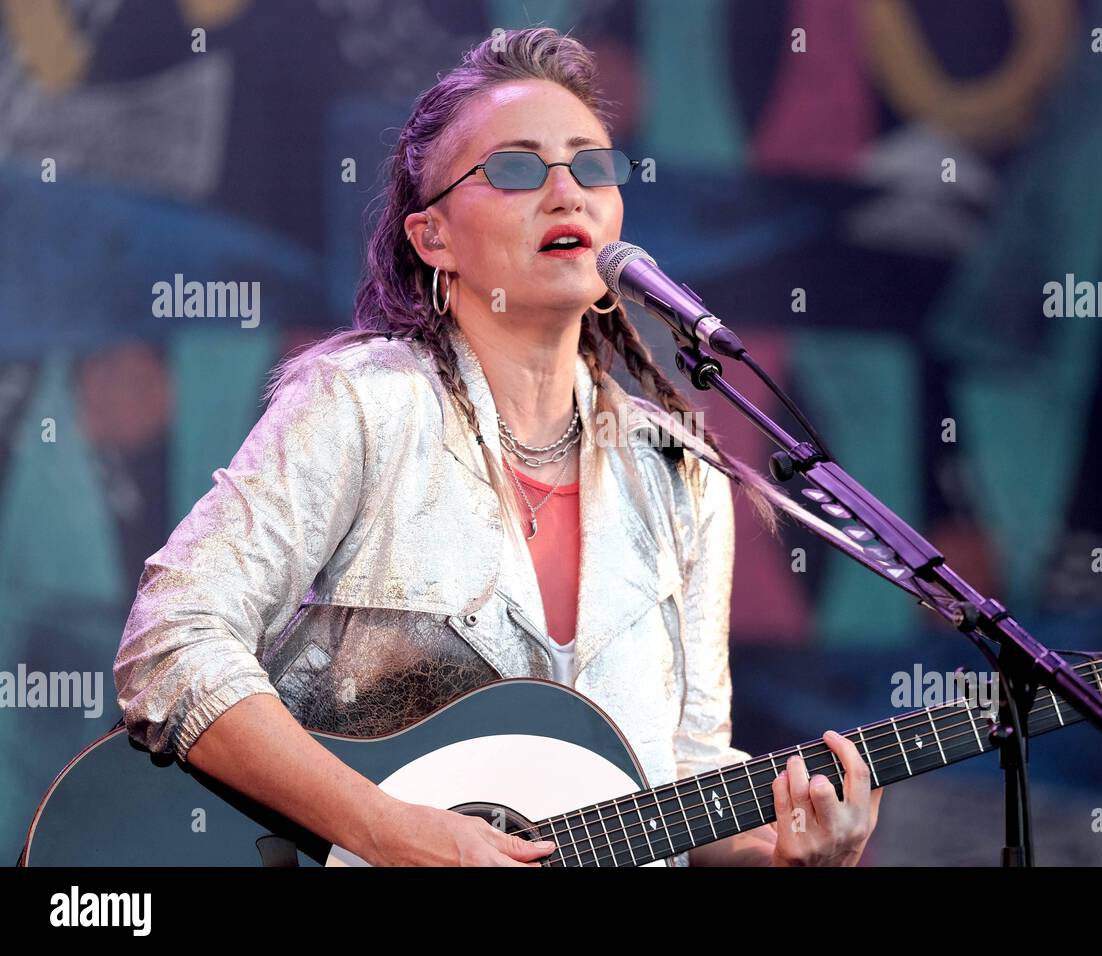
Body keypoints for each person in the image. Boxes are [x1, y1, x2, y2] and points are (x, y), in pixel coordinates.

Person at [113, 26, 881, 867]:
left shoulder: (679, 471)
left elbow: (682, 782)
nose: (568, 192)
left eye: (593, 165)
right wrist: (385, 829)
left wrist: (787, 858)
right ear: (432, 237)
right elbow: (172, 641)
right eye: (517, 169)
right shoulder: (365, 406)